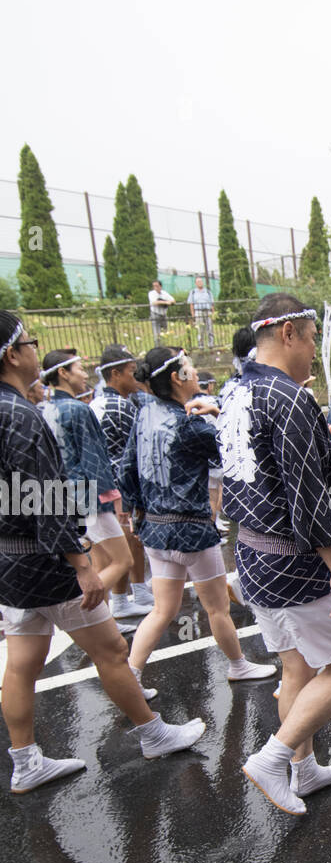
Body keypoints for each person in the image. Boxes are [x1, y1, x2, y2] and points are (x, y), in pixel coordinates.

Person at [0, 312, 207, 789]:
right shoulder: (21, 415)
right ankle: (153, 734)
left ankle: (26, 760)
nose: (35, 351)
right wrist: (81, 563)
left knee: (22, 662)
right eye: (29, 343)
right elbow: (44, 496)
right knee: (113, 650)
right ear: (13, 354)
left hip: (10, 559)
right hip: (45, 560)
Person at [222, 295, 331, 814]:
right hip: (293, 562)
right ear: (287, 335)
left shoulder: (237, 389)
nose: (310, 350)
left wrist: (319, 448)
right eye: (308, 337)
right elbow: (310, 501)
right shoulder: (290, 398)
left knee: (295, 668)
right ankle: (274, 757)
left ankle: (303, 768)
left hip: (252, 556)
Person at [119, 345, 276, 691]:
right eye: (189, 366)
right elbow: (239, 449)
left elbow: (127, 468)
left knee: (162, 610)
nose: (195, 371)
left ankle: (129, 677)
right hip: (191, 532)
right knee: (217, 607)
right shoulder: (190, 426)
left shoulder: (145, 413)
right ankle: (237, 665)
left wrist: (136, 511)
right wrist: (218, 412)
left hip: (155, 533)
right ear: (177, 377)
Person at [38, 348, 144, 632]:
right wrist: (115, 499)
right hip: (89, 497)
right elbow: (94, 459)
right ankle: (82, 610)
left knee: (100, 561)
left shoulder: (44, 409)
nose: (85, 374)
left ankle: (104, 621)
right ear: (63, 373)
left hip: (62, 496)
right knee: (123, 560)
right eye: (79, 368)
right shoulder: (77, 409)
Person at [90, 344, 155, 614]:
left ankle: (124, 599)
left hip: (102, 488)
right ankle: (132, 594)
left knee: (108, 550)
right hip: (118, 489)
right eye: (130, 372)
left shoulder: (96, 403)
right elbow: (136, 452)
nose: (135, 376)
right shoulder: (120, 407)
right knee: (128, 544)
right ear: (115, 374)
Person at [187, 276, 215, 350]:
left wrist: (213, 313)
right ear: (196, 283)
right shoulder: (193, 292)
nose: (200, 283)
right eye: (198, 282)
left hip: (208, 311)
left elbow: (212, 303)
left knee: (210, 328)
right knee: (200, 330)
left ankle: (211, 344)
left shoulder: (208, 291)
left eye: (201, 281)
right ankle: (201, 345)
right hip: (198, 311)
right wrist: (193, 315)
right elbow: (191, 304)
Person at [148, 280, 175, 347]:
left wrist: (169, 302)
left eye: (157, 286)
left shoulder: (164, 293)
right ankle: (158, 347)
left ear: (160, 286)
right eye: (154, 286)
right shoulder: (151, 293)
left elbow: (173, 300)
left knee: (164, 332)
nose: (155, 287)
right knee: (156, 333)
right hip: (155, 314)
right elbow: (154, 302)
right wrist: (165, 302)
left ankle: (164, 347)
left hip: (163, 314)